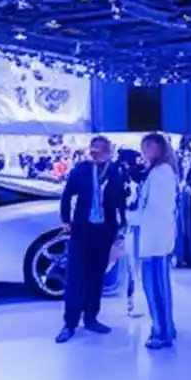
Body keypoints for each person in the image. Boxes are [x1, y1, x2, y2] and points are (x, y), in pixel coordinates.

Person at [57, 135, 127, 343]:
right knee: (75, 277)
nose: (96, 153)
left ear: (108, 151)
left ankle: (91, 317)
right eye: (93, 149)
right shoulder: (81, 170)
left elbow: (120, 199)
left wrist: (121, 223)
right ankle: (70, 322)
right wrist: (66, 219)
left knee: (96, 276)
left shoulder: (115, 171)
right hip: (81, 229)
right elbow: (67, 194)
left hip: (103, 231)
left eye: (101, 149)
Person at [133, 133, 179, 349]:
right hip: (155, 239)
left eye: (147, 147)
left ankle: (161, 332)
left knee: (156, 288)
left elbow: (154, 210)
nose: (143, 152)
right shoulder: (159, 172)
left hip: (155, 241)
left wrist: (129, 217)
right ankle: (166, 327)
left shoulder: (160, 174)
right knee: (158, 286)